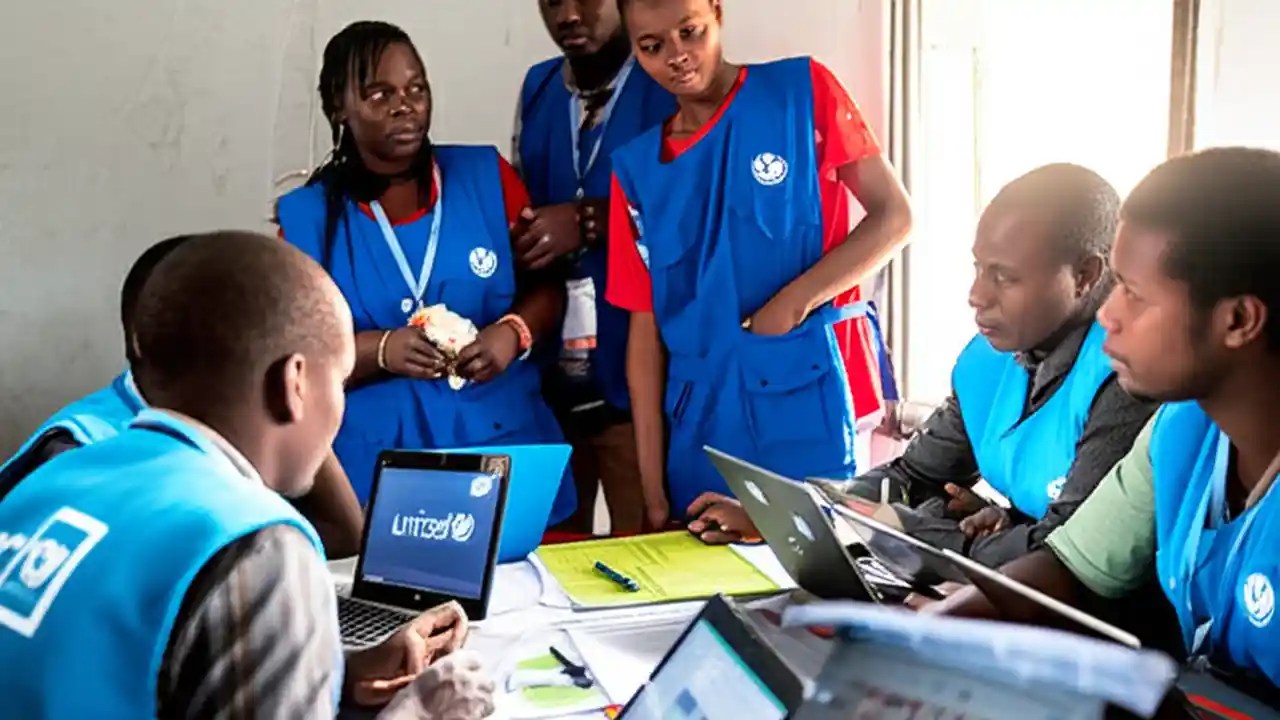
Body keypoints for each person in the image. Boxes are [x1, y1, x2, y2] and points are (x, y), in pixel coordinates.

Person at [0, 232, 494, 717]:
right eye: (339, 380)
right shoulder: (260, 547)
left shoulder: (50, 478)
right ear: (294, 382)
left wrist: (336, 671)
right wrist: (420, 713)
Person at [687, 164, 1157, 572]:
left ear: (1086, 275)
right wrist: (787, 515)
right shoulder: (987, 360)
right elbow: (912, 479)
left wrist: (913, 530)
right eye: (978, 268)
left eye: (1005, 277)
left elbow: (1061, 558)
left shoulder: (1127, 380)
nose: (976, 295)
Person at [933, 147, 1280, 695]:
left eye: (1134, 295)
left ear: (1237, 320)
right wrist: (912, 641)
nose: (1108, 314)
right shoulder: (1181, 430)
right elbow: (1065, 571)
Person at [606, 0, 913, 527]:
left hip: (806, 394)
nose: (677, 55)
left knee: (814, 556)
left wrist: (792, 304)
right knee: (701, 564)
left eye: (690, 31)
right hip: (701, 417)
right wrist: (652, 490)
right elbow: (644, 333)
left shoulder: (801, 95)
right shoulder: (637, 171)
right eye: (652, 46)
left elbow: (895, 218)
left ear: (717, 12)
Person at [276, 21, 575, 524]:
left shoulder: (486, 177)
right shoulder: (306, 222)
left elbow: (546, 285)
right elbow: (294, 360)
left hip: (500, 446)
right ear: (338, 107)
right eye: (380, 94)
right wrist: (380, 350)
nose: (405, 106)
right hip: (376, 470)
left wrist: (512, 332)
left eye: (416, 89)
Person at [0, 234, 365, 558]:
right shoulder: (78, 448)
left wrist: (297, 407)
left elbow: (346, 534)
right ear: (142, 341)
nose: (227, 343)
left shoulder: (241, 421)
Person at [512, 0, 676, 534]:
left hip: (644, 385)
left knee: (645, 554)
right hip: (552, 385)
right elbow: (521, 197)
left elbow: (702, 220)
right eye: (553, 0)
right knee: (550, 554)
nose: (569, 14)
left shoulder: (668, 80)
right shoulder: (538, 89)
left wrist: (597, 221)